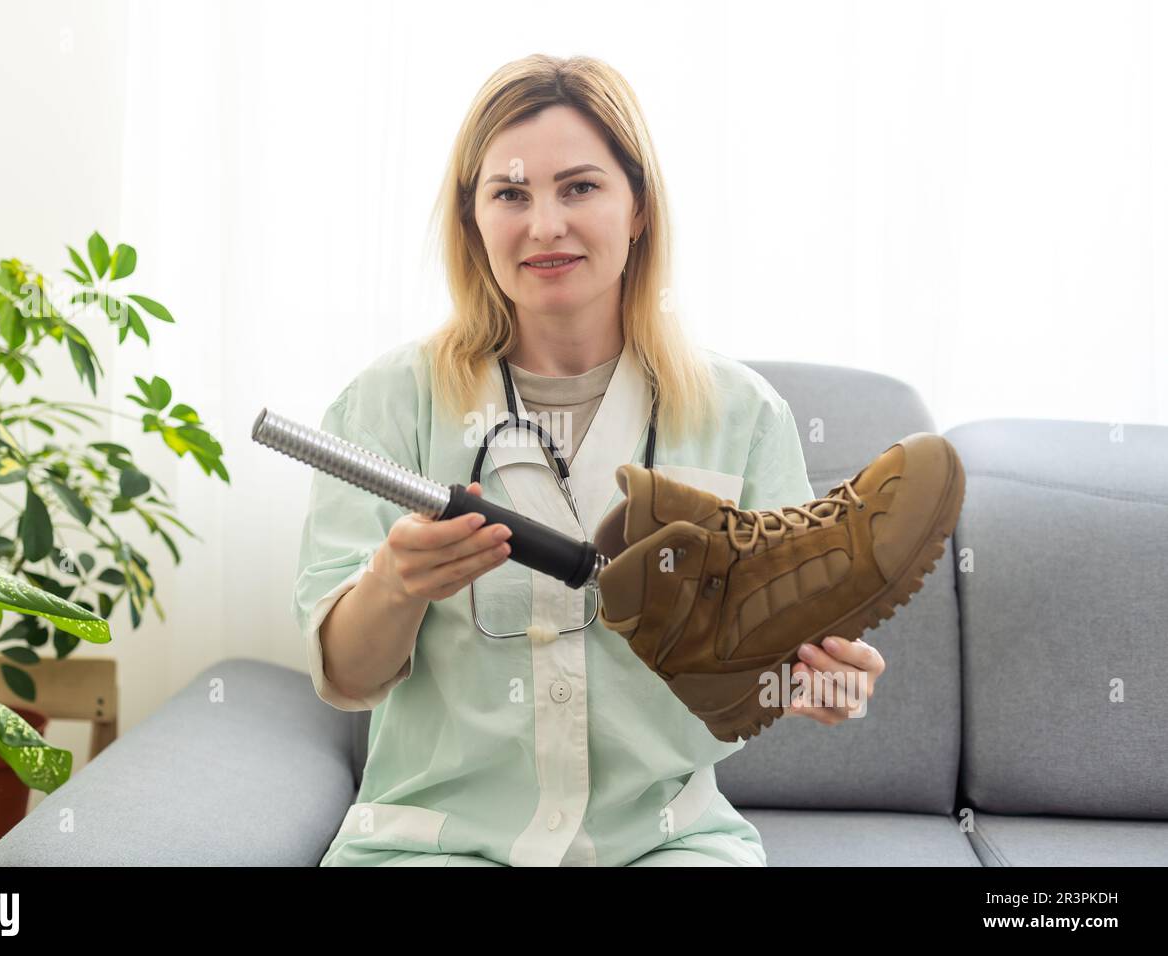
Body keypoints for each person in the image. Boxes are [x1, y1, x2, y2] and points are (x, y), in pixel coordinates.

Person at [293, 53, 887, 867]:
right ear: (472, 219)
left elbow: (766, 666)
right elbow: (348, 678)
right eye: (509, 194)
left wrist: (817, 683)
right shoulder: (385, 406)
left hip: (667, 843)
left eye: (579, 187)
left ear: (638, 207)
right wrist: (393, 586)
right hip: (431, 846)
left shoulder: (741, 416)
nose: (545, 225)